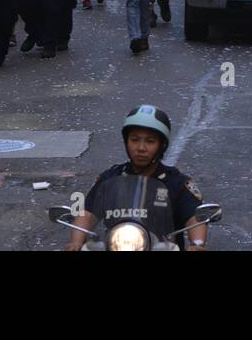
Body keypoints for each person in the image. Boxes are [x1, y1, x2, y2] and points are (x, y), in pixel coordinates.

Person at [66, 106, 209, 251]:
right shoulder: (109, 178)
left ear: (162, 146)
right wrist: (76, 242)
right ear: (126, 142)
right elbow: (87, 213)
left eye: (150, 141)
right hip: (116, 245)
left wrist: (197, 244)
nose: (141, 148)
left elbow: (195, 218)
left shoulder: (177, 182)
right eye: (134, 140)